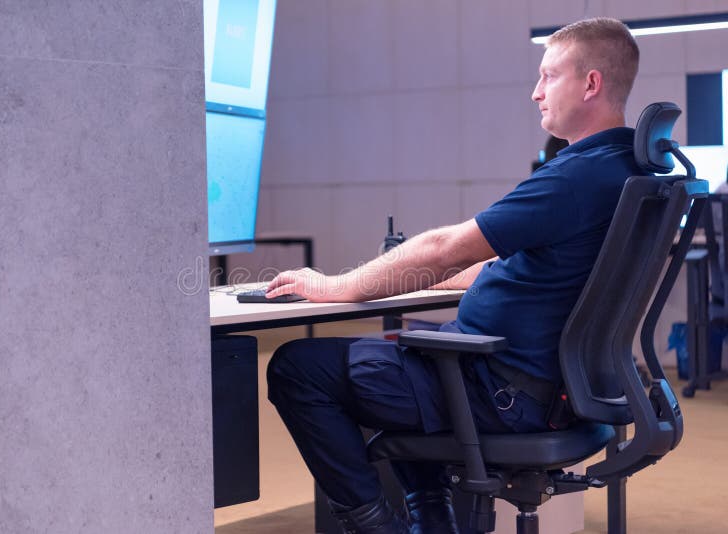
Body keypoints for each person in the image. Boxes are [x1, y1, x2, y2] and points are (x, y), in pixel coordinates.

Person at [265, 18, 641, 534]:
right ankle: (433, 523)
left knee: (298, 368)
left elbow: (447, 248)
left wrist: (334, 287)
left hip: (502, 391)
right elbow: (524, 272)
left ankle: (383, 528)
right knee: (410, 349)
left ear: (591, 83)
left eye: (549, 76)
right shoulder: (628, 170)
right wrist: (426, 280)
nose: (535, 93)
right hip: (550, 388)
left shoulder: (576, 177)